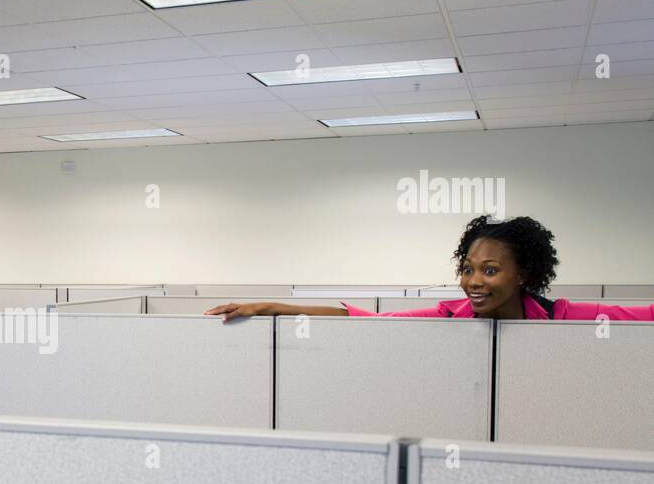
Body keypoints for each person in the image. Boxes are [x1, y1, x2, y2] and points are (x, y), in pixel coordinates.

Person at [204, 215, 654, 322]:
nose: (474, 281)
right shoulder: (446, 317)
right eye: (468, 268)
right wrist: (273, 308)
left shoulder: (566, 318)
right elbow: (371, 323)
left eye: (490, 270)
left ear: (523, 274)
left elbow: (642, 317)